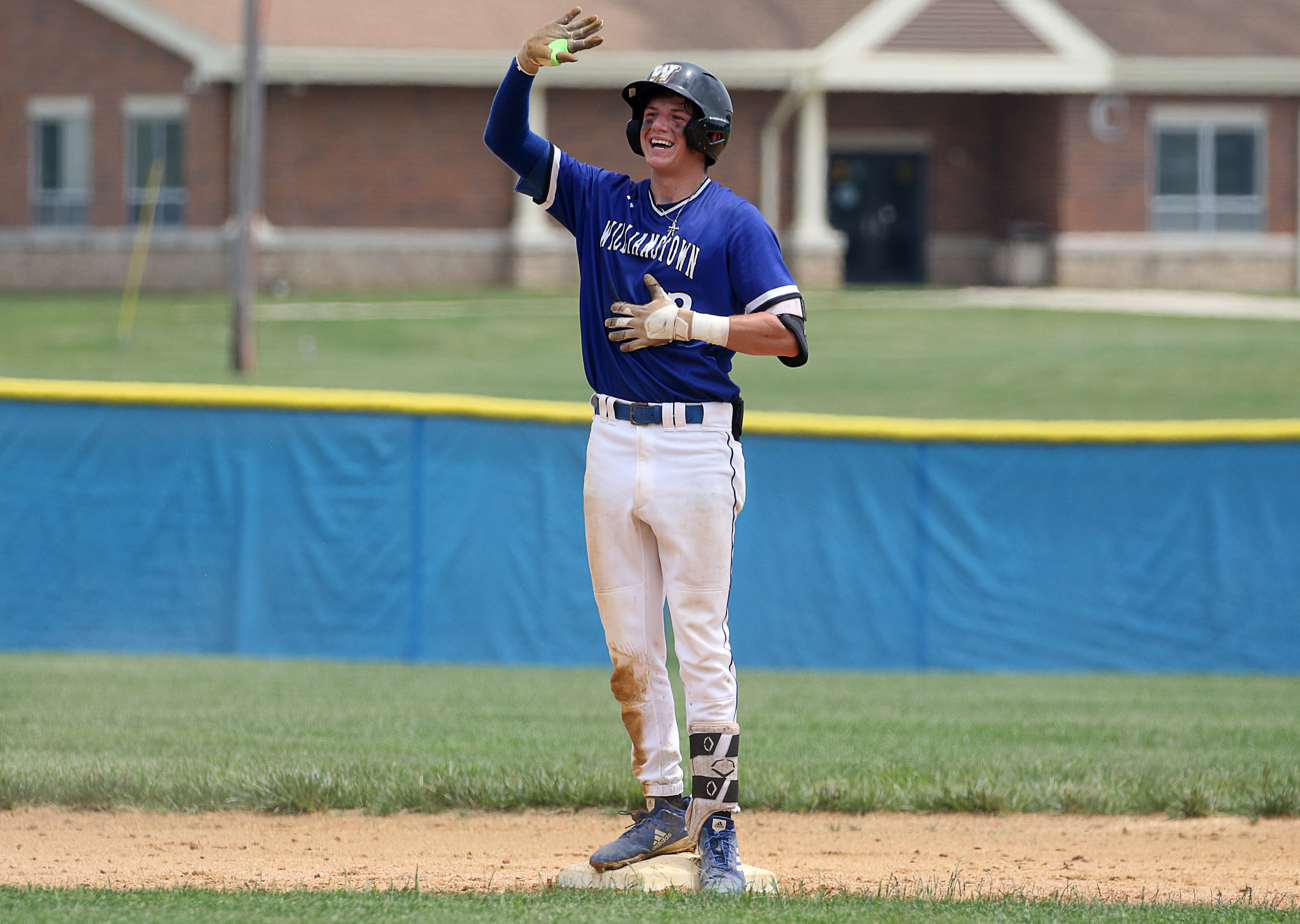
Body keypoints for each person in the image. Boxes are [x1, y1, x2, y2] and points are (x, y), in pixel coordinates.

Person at [484, 7, 807, 895]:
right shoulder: (603, 199)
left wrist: (692, 323)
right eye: (648, 111)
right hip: (610, 436)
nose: (656, 121)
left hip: (698, 447)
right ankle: (664, 803)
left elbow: (788, 331)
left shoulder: (734, 224)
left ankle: (717, 827)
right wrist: (524, 65)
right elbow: (504, 137)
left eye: (674, 113)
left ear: (707, 134)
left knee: (701, 639)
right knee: (630, 643)